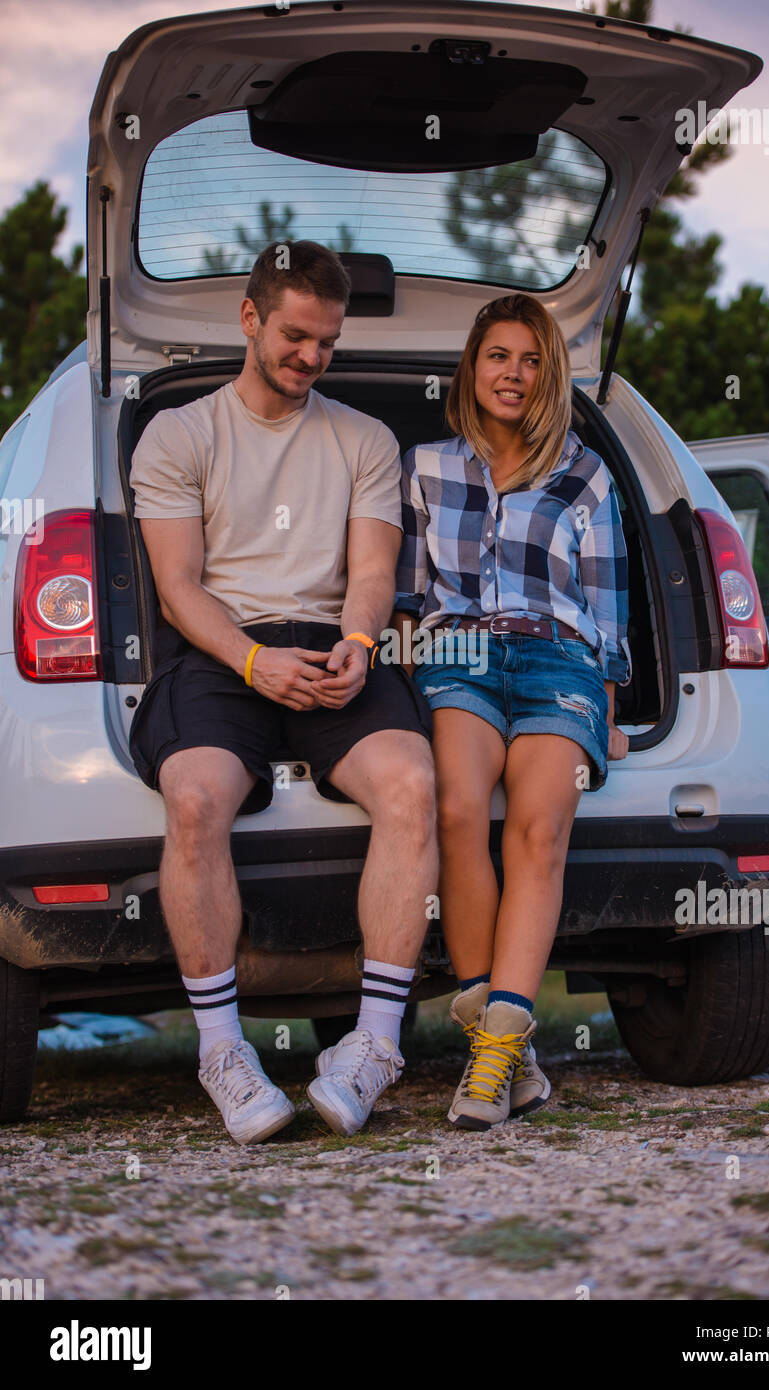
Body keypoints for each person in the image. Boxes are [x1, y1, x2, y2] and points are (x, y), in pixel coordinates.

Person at [128, 240, 437, 1143]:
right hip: (223, 650)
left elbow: (374, 570)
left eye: (327, 344)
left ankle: (373, 1047)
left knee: (413, 786)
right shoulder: (177, 433)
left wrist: (355, 640)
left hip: (332, 644)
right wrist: (254, 663)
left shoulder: (364, 438)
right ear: (250, 319)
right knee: (193, 798)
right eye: (295, 336)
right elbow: (180, 587)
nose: (310, 358)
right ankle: (222, 1052)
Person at [392, 293, 631, 1130]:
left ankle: (492, 1061)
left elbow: (605, 599)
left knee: (537, 831)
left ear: (549, 375)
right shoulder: (422, 465)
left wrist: (606, 706)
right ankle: (500, 1046)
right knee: (458, 810)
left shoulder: (584, 474)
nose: (514, 374)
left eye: (531, 360)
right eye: (499, 355)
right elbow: (406, 593)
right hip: (456, 651)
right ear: (471, 365)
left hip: (558, 659)